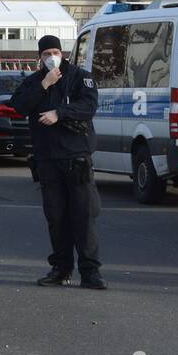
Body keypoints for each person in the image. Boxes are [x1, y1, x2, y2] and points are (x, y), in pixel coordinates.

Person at [10, 35, 104, 289]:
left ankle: (90, 272)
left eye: (55, 51)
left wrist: (59, 113)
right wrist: (44, 84)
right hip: (48, 159)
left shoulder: (79, 77)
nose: (52, 57)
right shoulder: (33, 81)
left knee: (83, 217)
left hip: (76, 157)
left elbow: (88, 106)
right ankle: (61, 269)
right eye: (46, 53)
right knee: (57, 217)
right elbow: (18, 105)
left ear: (62, 53)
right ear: (39, 57)